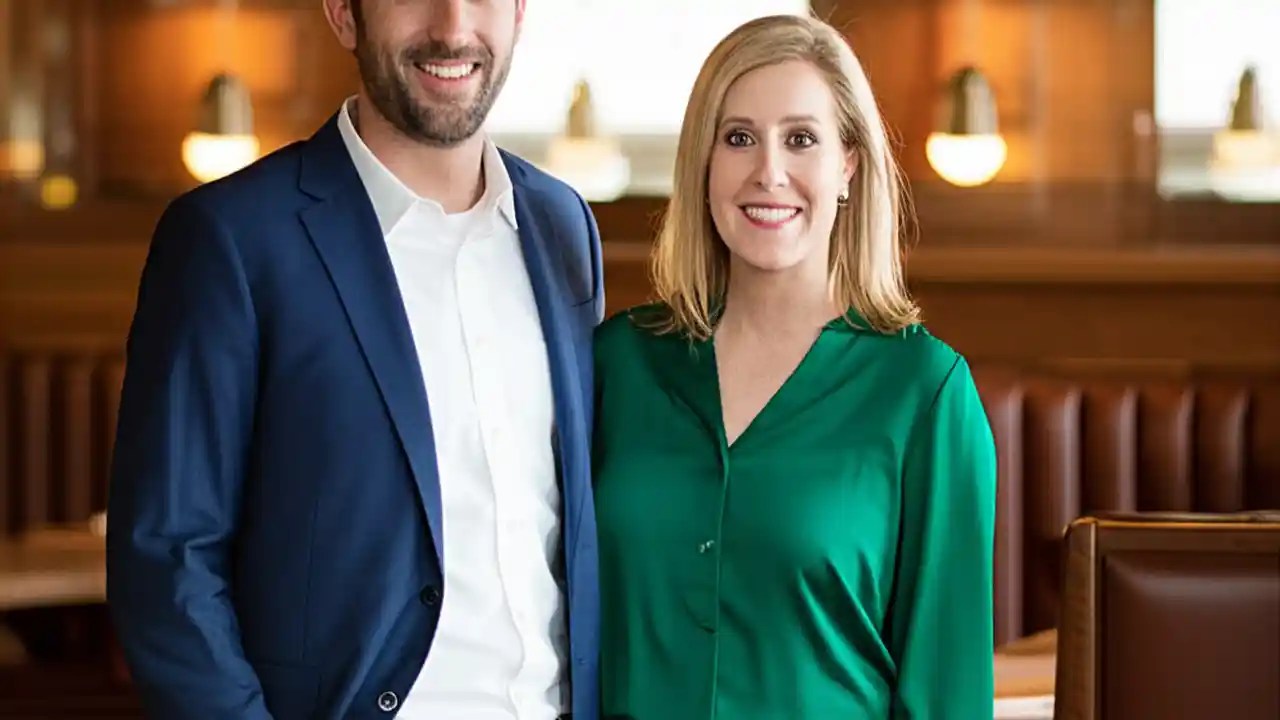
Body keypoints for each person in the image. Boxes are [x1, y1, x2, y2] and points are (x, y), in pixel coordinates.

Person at [106, 0, 604, 718]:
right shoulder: (232, 240)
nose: (454, 25)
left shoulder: (563, 223)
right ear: (343, 14)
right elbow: (168, 560)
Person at [592, 13, 996, 720]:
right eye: (738, 137)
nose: (767, 172)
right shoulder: (615, 364)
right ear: (704, 164)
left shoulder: (925, 395)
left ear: (847, 165)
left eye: (801, 139)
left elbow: (947, 694)